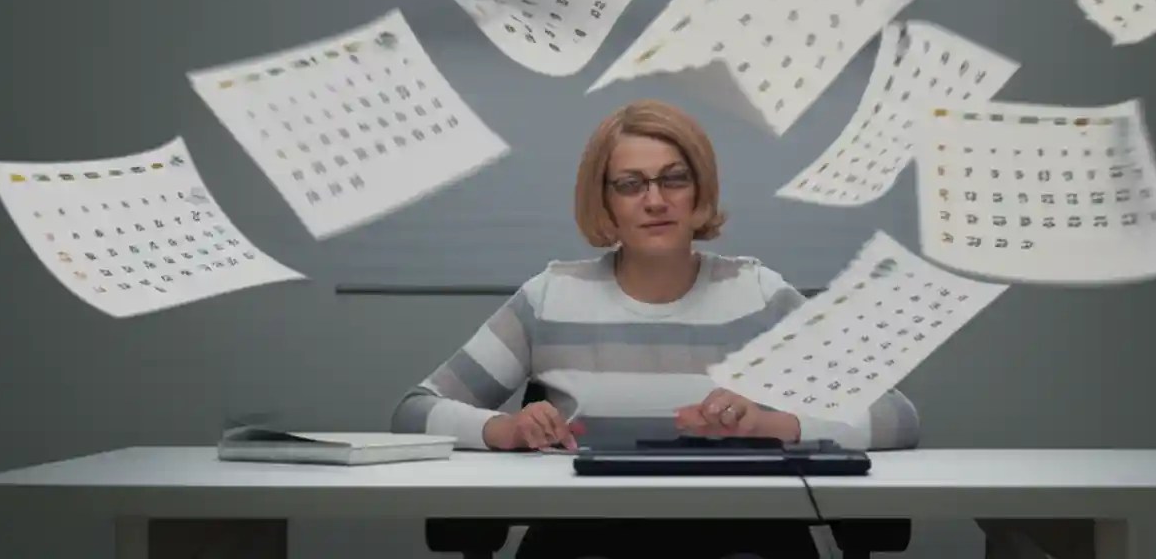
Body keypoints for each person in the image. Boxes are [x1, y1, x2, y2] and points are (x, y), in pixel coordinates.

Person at [391, 99, 921, 559]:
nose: (655, 200)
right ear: (606, 202)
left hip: (748, 536)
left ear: (700, 192)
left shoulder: (758, 294)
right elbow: (415, 410)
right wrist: (505, 431)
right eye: (630, 184)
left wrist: (771, 423)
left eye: (674, 178)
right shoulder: (552, 297)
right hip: (583, 538)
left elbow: (896, 415)